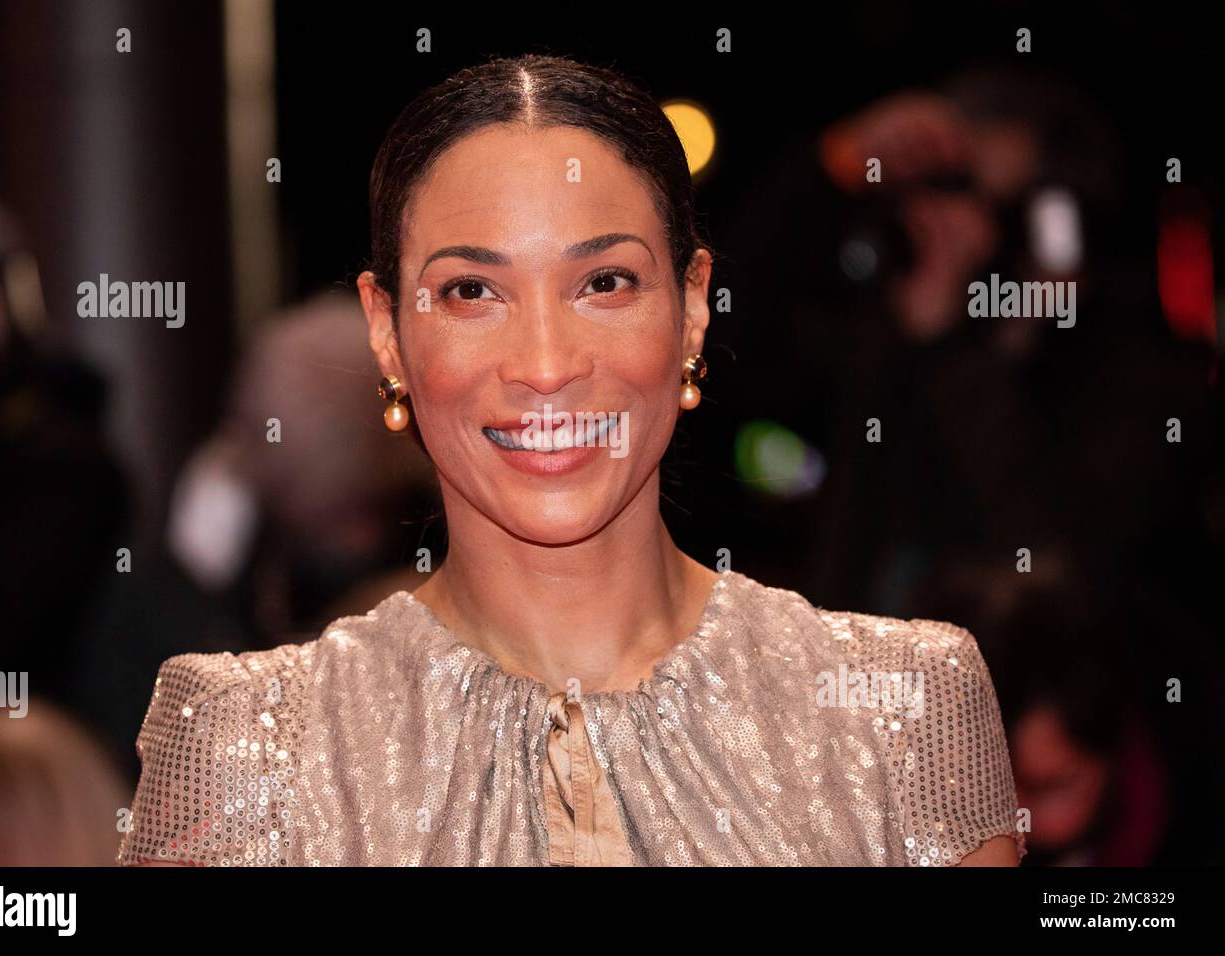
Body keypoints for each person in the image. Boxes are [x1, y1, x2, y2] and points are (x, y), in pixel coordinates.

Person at [117, 54, 1024, 867]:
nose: (546, 365)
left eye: (605, 283)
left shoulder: (903, 715)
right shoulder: (247, 748)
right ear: (387, 333)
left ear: (693, 309)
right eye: (471, 291)